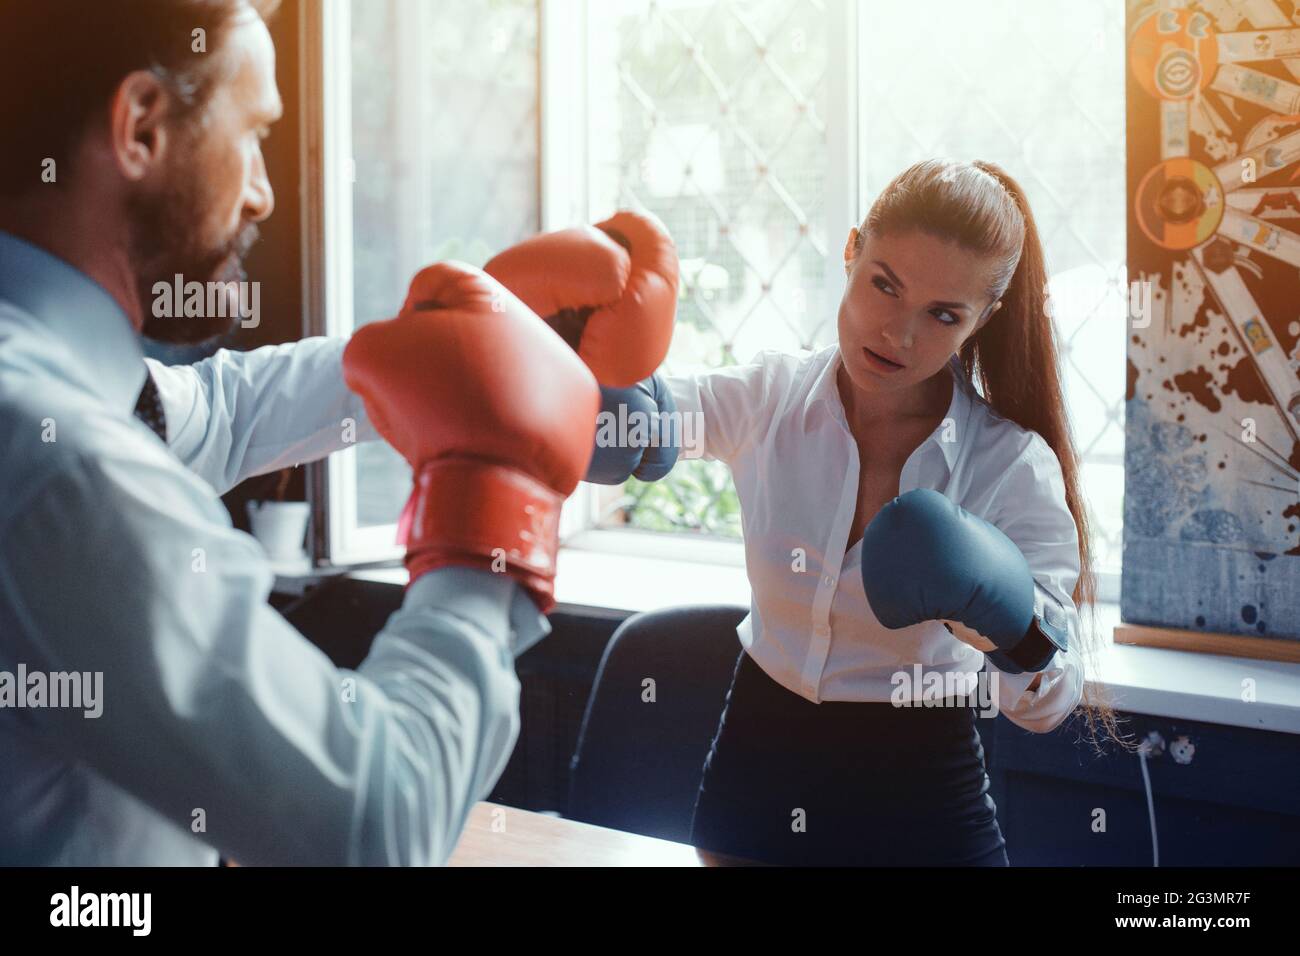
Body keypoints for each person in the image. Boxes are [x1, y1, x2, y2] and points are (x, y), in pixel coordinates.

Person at [0, 0, 607, 866]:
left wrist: (435, 342)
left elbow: (226, 409)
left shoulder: (61, 385)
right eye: (251, 134)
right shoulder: (61, 472)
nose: (263, 190)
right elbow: (377, 826)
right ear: (139, 128)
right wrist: (494, 516)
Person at [589, 158, 1127, 866]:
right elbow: (659, 412)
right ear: (851, 251)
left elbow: (1047, 703)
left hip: (920, 800)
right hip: (756, 772)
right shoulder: (770, 396)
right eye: (885, 285)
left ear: (982, 321)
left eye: (942, 314)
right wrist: (590, 374)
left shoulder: (1008, 464)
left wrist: (1004, 616)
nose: (899, 334)